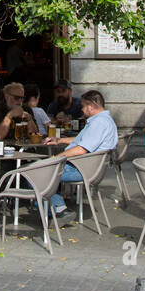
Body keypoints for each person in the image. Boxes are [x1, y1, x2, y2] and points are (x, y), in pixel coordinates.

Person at [42, 90, 117, 224]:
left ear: (91, 106)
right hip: (86, 167)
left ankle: (58, 210)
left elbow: (82, 149)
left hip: (81, 169)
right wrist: (60, 141)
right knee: (46, 172)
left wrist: (55, 158)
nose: (81, 109)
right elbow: (81, 139)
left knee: (38, 174)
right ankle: (58, 208)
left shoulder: (99, 123)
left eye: (83, 106)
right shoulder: (100, 120)